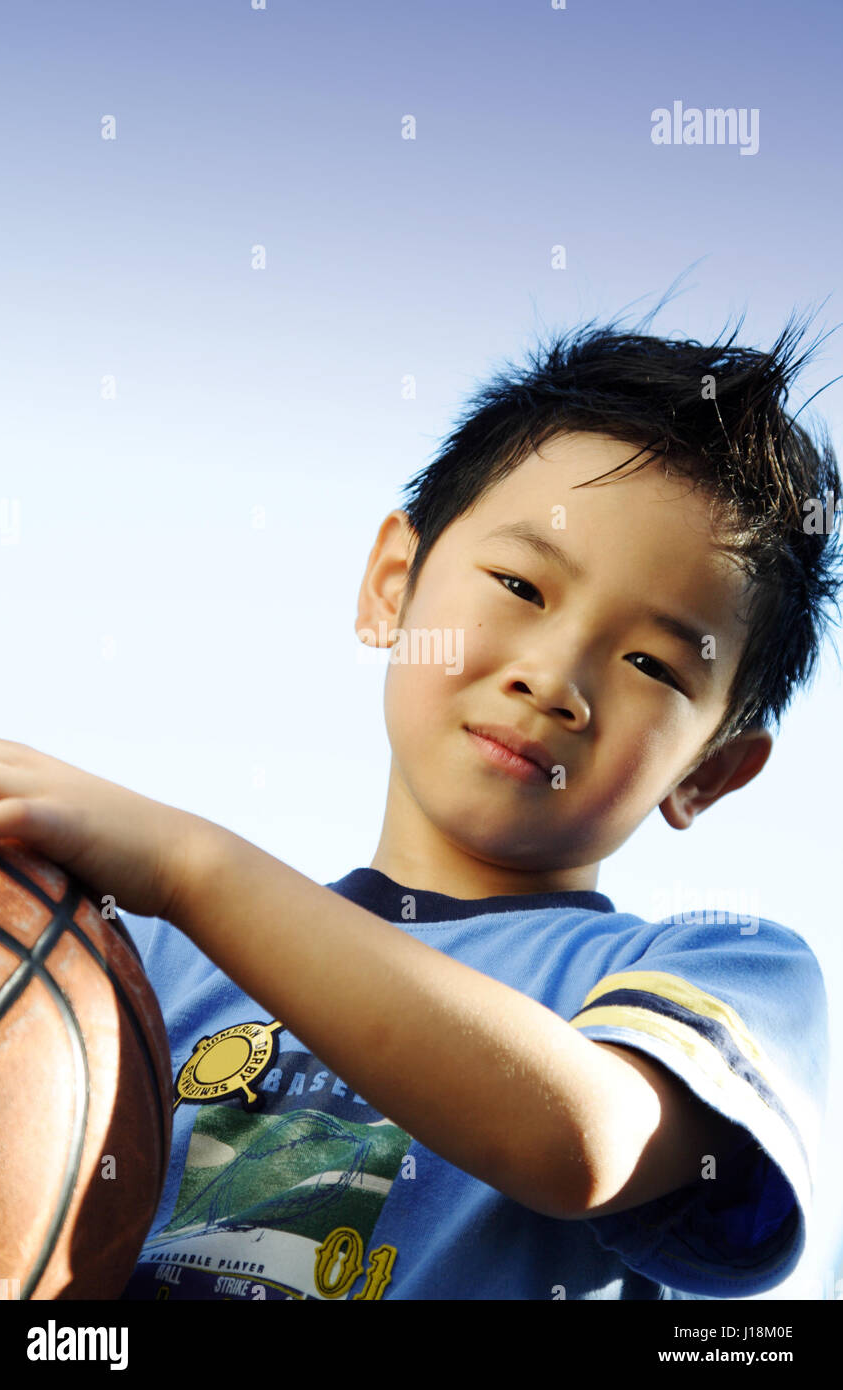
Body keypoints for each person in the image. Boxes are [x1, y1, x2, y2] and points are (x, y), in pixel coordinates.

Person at [115, 310, 840, 1300]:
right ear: (390, 586)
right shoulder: (129, 957)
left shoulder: (718, 970)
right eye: (518, 583)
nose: (552, 678)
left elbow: (580, 1143)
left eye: (649, 662)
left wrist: (189, 867)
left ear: (708, 771)